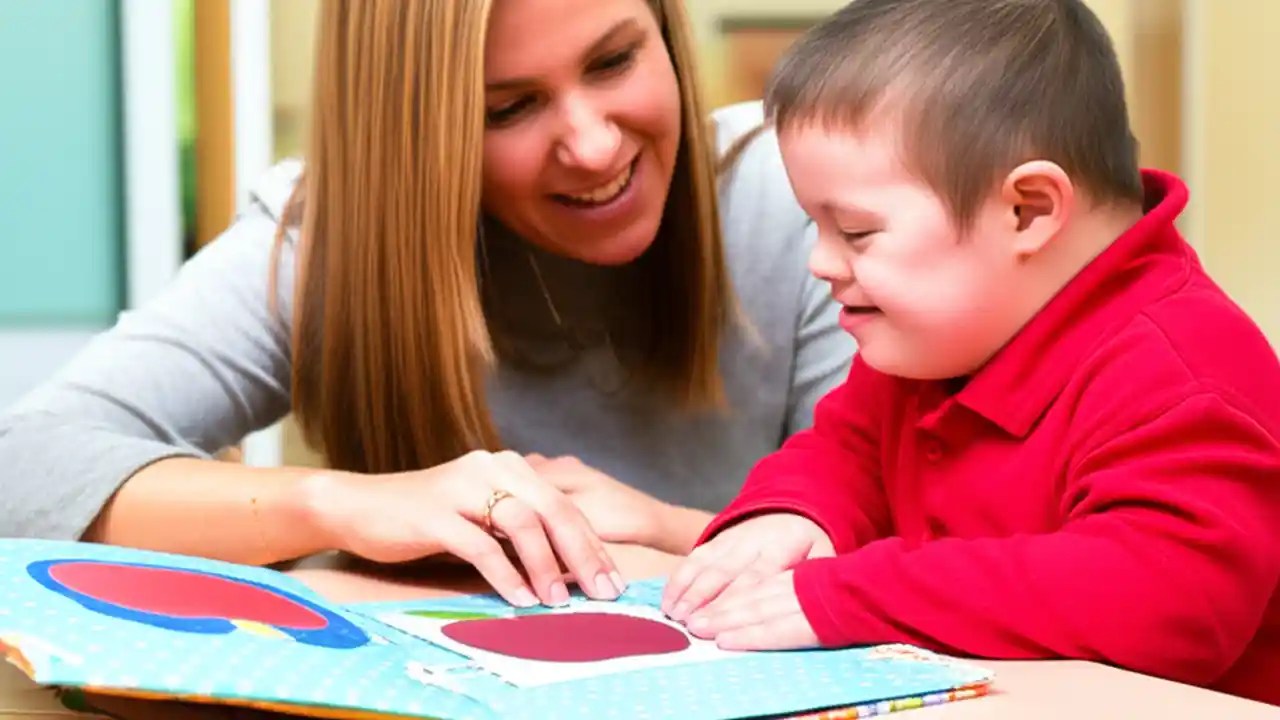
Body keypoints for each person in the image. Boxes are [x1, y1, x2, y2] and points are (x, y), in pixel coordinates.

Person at [0, 0, 853, 611]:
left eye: (614, 61)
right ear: (418, 134)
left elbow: (934, 545)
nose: (594, 146)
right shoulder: (325, 240)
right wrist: (342, 504)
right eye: (509, 108)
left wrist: (672, 528)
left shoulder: (806, 203)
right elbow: (23, 468)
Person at [661, 0, 1280, 706]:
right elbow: (847, 450)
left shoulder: (1185, 371)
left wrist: (850, 595)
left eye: (856, 232)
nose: (821, 264)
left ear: (1029, 211)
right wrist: (792, 514)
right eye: (816, 226)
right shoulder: (938, 335)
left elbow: (1169, 600)